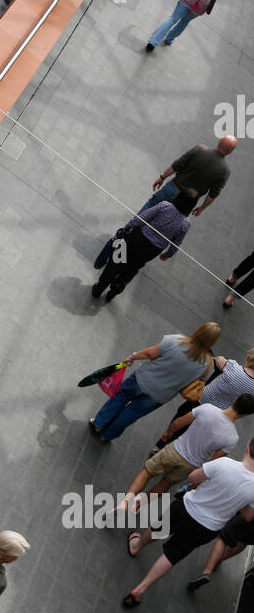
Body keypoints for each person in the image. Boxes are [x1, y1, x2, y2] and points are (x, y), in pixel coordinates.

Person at [122, 443, 254, 607]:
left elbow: (193, 477)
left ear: (248, 448)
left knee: (160, 528)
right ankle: (140, 590)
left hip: (187, 507)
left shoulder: (225, 464)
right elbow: (247, 515)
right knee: (173, 555)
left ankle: (137, 545)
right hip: (208, 527)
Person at [121, 396, 254, 525]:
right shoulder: (232, 438)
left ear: (235, 400)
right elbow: (214, 461)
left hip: (175, 450)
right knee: (166, 483)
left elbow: (180, 422)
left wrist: (169, 431)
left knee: (147, 472)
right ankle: (138, 505)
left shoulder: (208, 408)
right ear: (246, 415)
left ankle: (125, 503)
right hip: (191, 466)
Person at [90, 324, 220, 443]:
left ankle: (99, 424)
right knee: (131, 414)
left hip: (141, 379)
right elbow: (197, 384)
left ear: (199, 331)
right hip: (160, 396)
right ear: (212, 342)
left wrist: (133, 356)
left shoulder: (176, 340)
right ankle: (106, 436)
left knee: (120, 397)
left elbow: (150, 353)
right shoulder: (208, 365)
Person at [91, 191, 196, 303]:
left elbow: (143, 217)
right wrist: (168, 254)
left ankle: (99, 288)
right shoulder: (186, 223)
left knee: (116, 262)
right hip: (151, 251)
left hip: (136, 239)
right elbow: (177, 243)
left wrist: (128, 227)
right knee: (131, 269)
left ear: (179, 197)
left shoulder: (165, 205)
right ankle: (113, 292)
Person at [138, 137, 236, 217]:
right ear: (229, 150)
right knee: (170, 222)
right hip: (188, 201)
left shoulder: (199, 149)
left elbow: (177, 165)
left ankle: (127, 230)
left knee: (152, 204)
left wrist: (162, 177)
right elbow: (212, 195)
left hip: (173, 187)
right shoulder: (225, 171)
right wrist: (201, 208)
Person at [188, 509, 254, 591]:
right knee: (244, 542)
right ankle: (219, 559)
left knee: (223, 539)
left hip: (250, 514)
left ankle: (207, 572)